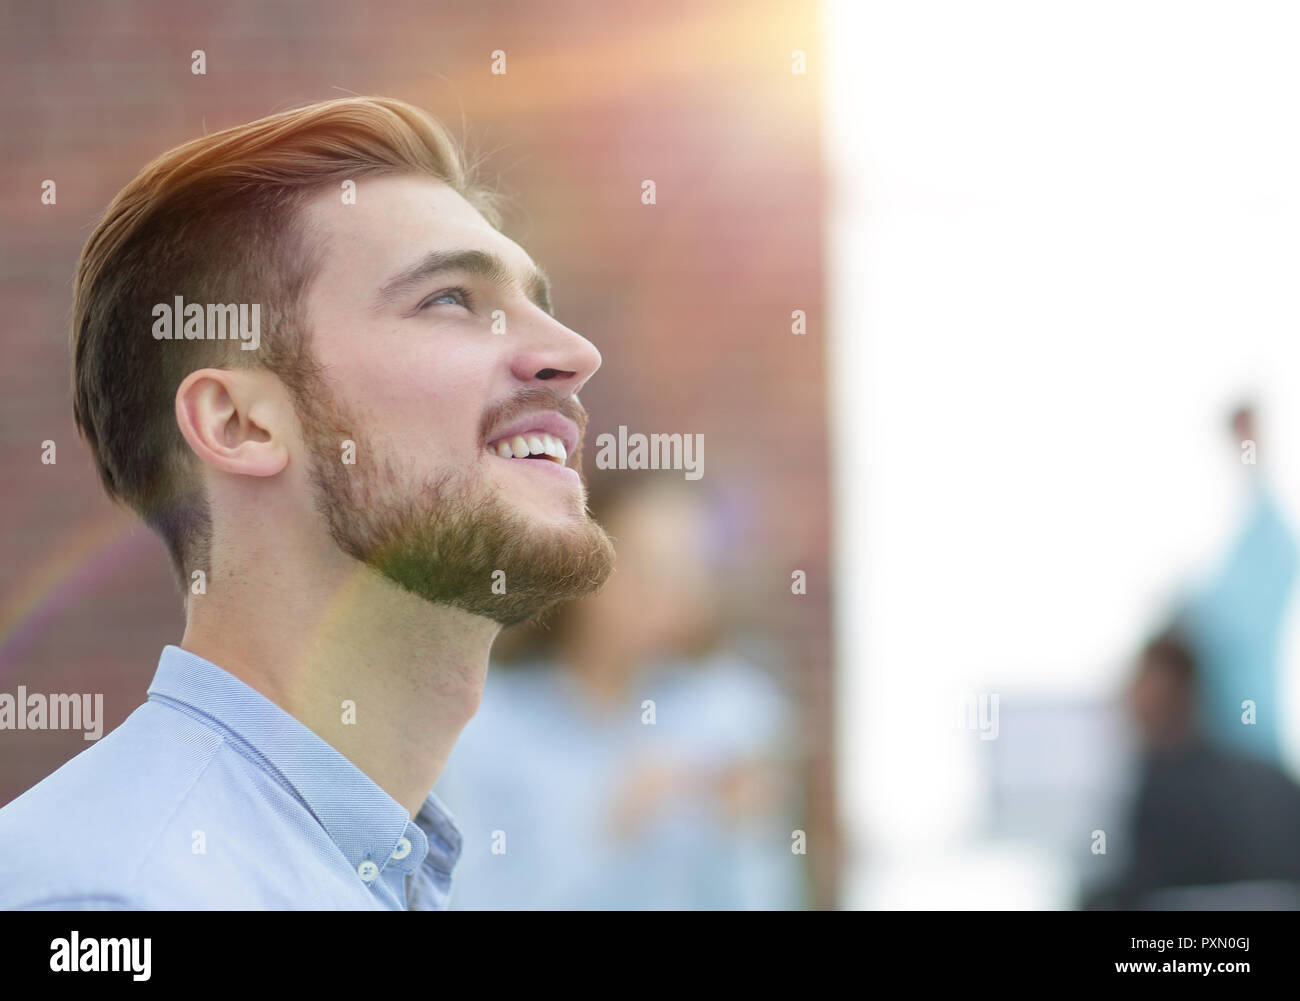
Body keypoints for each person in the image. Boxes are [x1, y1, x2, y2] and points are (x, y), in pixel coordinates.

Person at [0, 96, 616, 910]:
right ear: (240, 422)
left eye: (539, 300)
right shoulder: (110, 903)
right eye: (449, 299)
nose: (574, 354)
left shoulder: (377, 870)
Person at [435, 479, 806, 908]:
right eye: (647, 565)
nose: (666, 591)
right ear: (581, 565)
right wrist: (614, 824)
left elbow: (772, 895)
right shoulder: (489, 722)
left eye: (687, 570)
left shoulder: (734, 710)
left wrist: (743, 835)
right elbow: (470, 897)